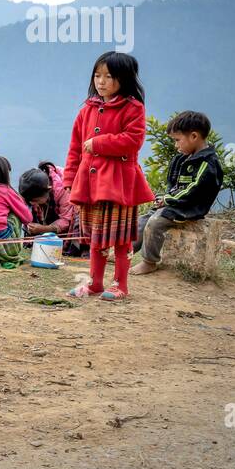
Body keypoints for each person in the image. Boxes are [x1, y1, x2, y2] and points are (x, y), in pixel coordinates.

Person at [63, 51, 155, 300]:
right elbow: (75, 148)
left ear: (124, 79)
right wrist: (70, 180)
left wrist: (98, 143)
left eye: (109, 76)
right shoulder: (86, 110)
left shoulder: (133, 108)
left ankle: (120, 285)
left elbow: (132, 141)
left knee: (120, 238)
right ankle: (94, 283)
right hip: (91, 185)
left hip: (118, 185)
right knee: (96, 236)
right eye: (97, 75)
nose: (101, 81)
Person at [133, 111, 224, 275]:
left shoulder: (208, 164)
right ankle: (127, 252)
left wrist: (167, 200)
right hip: (176, 203)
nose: (176, 145)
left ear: (194, 136)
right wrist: (165, 199)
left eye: (177, 140)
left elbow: (194, 190)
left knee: (155, 222)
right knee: (143, 219)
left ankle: (149, 261)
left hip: (190, 207)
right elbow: (172, 185)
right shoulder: (181, 159)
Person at [18, 161, 86, 256]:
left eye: (35, 200)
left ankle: (76, 251)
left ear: (48, 190)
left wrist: (45, 229)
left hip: (73, 212)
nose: (32, 204)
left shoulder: (63, 189)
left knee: (79, 217)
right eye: (29, 201)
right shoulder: (32, 188)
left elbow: (66, 219)